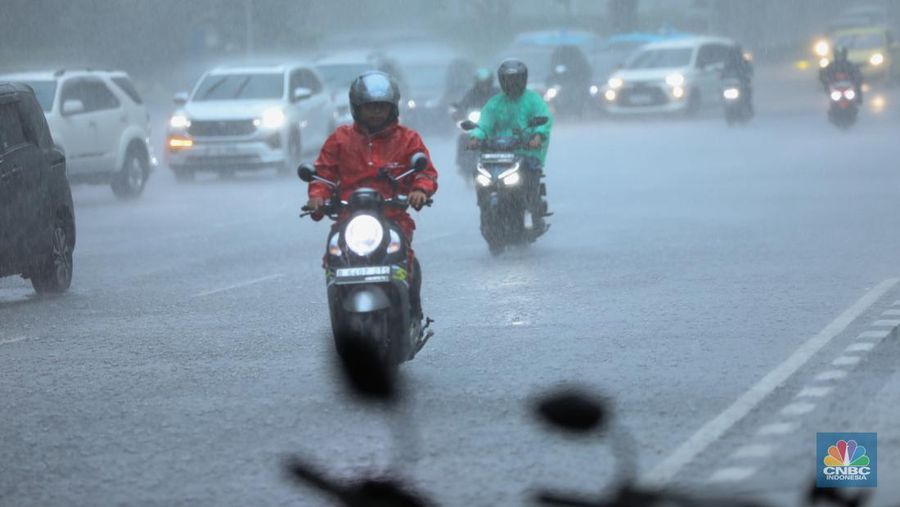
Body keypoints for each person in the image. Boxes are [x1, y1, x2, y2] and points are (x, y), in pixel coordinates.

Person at [306, 71, 438, 319]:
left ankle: (413, 313)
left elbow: (426, 172)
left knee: (405, 260)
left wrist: (420, 190)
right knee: (334, 258)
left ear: (393, 108)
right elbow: (322, 174)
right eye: (369, 107)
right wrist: (317, 196)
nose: (376, 112)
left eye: (381, 107)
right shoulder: (340, 139)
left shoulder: (408, 139)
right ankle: (339, 309)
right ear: (357, 108)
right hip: (348, 219)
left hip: (392, 217)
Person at [468, 59, 553, 233]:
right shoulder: (494, 103)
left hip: (526, 153)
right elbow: (484, 124)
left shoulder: (533, 100)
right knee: (479, 175)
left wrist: (537, 135)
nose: (512, 84)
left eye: (516, 79)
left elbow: (544, 119)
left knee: (529, 180)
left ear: (523, 80)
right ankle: (484, 206)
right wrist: (476, 137)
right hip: (496, 155)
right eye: (508, 80)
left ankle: (532, 210)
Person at [454, 68, 500, 173]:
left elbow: (506, 104)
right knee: (463, 137)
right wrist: (459, 113)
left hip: (495, 126)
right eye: (481, 83)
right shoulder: (471, 94)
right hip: (476, 126)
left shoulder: (497, 93)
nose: (484, 86)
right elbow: (462, 105)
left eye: (486, 83)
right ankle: (463, 165)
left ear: (490, 82)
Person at [722, 44, 754, 114]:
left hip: (741, 84)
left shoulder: (743, 61)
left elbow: (749, 70)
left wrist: (745, 75)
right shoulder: (728, 62)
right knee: (722, 92)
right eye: (733, 52)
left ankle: (748, 107)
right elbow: (724, 70)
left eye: (735, 52)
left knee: (747, 92)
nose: (734, 54)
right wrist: (722, 76)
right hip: (731, 85)